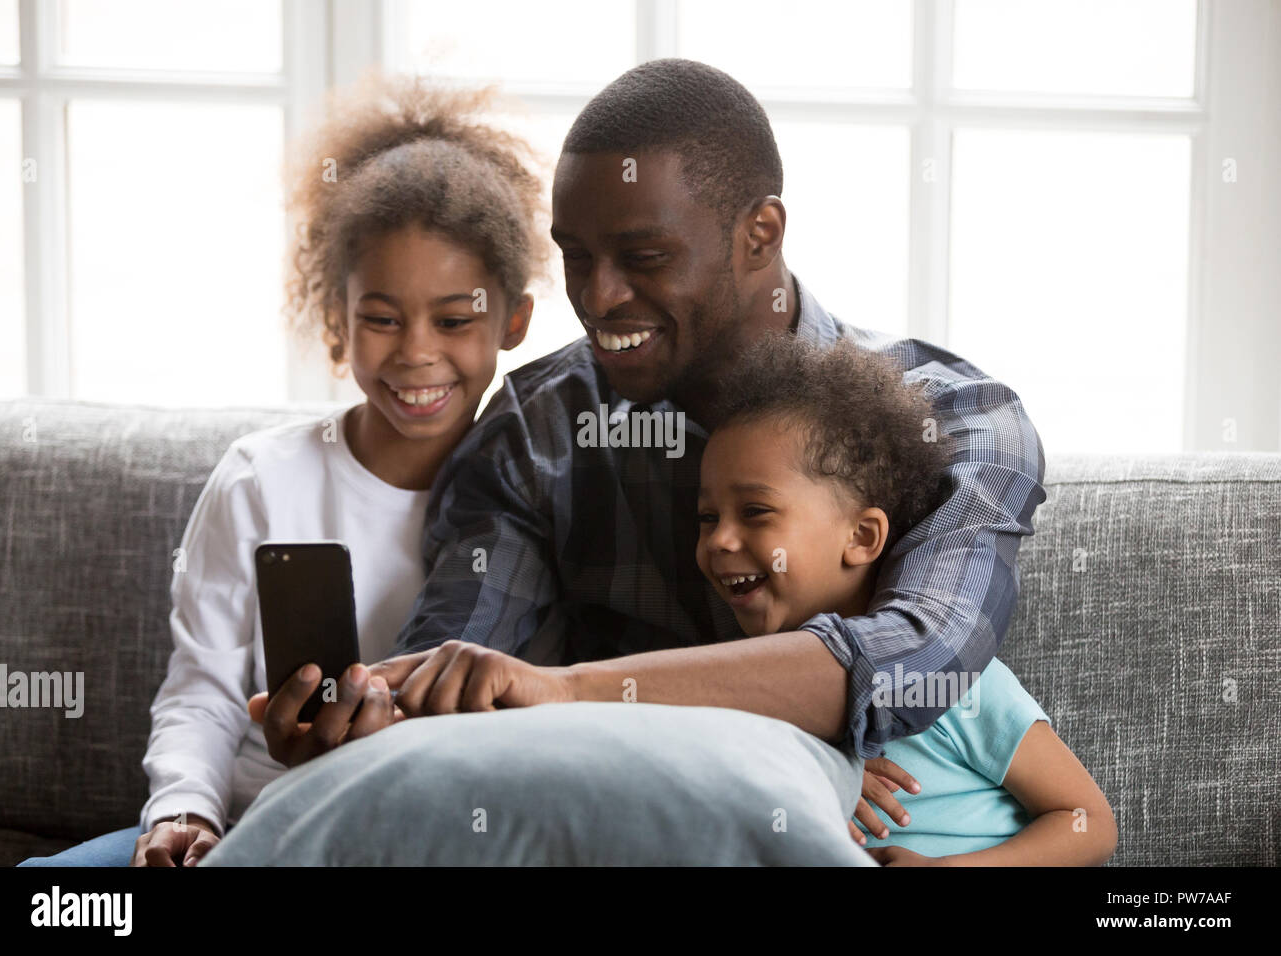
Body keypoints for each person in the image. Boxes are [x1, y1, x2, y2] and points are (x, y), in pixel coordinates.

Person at [254, 59, 1047, 849]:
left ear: (759, 233)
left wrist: (564, 693)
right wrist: (363, 720)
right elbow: (462, 673)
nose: (597, 298)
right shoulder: (538, 430)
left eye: (643, 257)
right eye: (575, 256)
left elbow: (909, 663)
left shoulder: (952, 420)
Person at [17, 75, 548, 866]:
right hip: (241, 825)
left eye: (454, 319)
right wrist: (184, 812)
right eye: (380, 318)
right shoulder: (262, 479)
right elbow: (202, 689)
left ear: (513, 322)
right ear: (337, 324)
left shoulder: (528, 503)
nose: (416, 351)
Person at [695, 334, 1116, 865]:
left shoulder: (957, 683)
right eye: (707, 518)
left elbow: (1088, 823)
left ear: (862, 538)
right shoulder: (746, 696)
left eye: (755, 512)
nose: (720, 541)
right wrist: (818, 776)